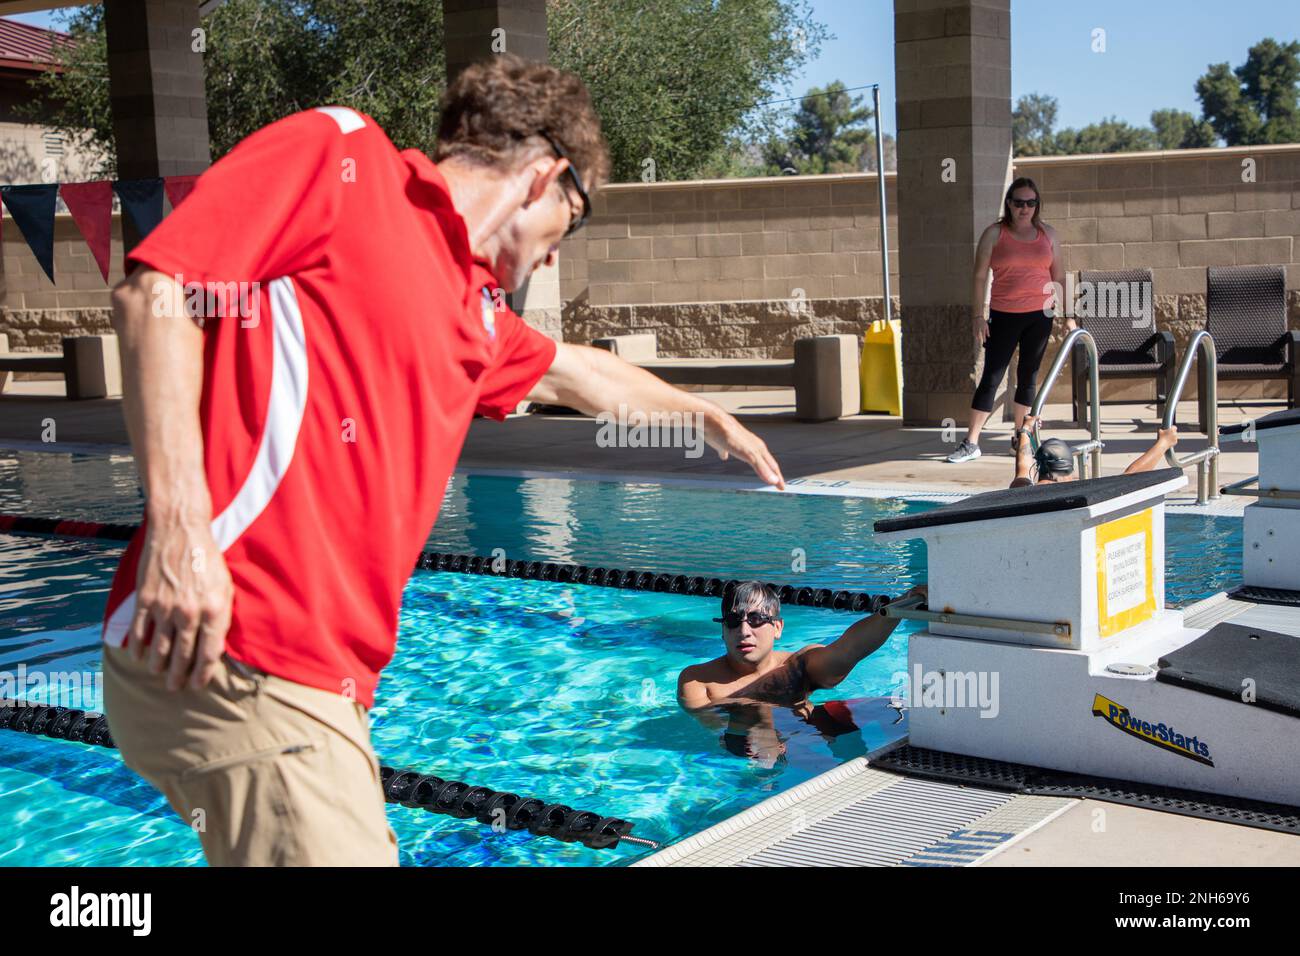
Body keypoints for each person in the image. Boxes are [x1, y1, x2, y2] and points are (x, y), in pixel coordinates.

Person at [100, 54, 785, 867]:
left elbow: (577, 372)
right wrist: (182, 536)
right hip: (241, 638)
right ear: (545, 178)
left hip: (320, 684)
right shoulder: (342, 158)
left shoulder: (470, 311)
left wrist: (706, 416)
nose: (558, 253)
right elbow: (158, 294)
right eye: (577, 217)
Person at [676, 581, 926, 762]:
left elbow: (850, 649)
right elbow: (715, 729)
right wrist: (757, 726)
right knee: (751, 710)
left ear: (777, 627)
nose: (743, 631)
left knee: (885, 714)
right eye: (733, 622)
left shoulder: (798, 665)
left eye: (755, 620)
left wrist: (899, 607)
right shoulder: (698, 680)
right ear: (722, 630)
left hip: (809, 739)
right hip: (744, 756)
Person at [948, 177, 1075, 464]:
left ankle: (1021, 438)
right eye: (1019, 202)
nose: (1025, 208)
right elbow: (980, 276)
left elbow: (1059, 277)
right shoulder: (995, 234)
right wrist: (978, 316)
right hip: (1003, 315)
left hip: (1040, 316)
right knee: (992, 376)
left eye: (1031, 203)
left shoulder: (1048, 235)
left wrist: (1069, 317)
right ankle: (971, 442)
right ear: (1009, 203)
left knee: (1028, 377)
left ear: (1037, 205)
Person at [1009, 416, 1178, 487]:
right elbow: (1130, 478)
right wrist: (1163, 444)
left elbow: (1023, 466)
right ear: (1065, 471)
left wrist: (1025, 429)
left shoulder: (1020, 490)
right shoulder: (1076, 495)